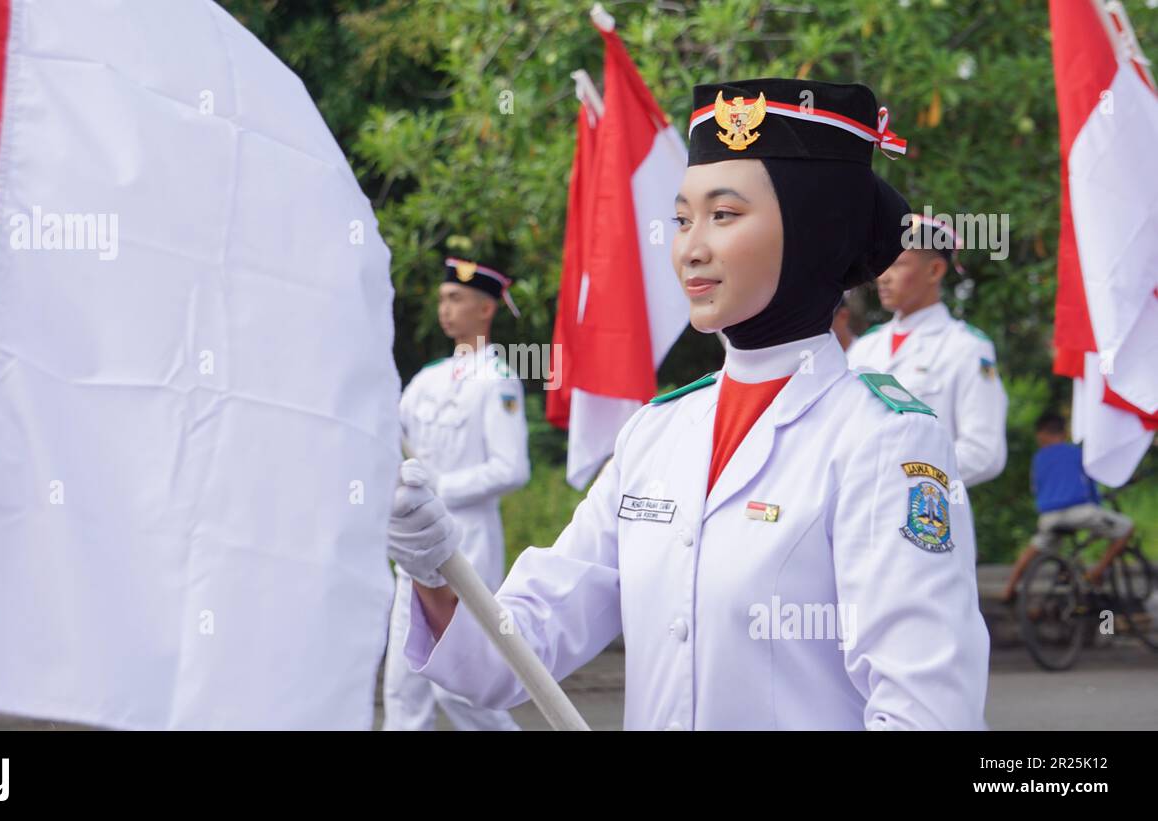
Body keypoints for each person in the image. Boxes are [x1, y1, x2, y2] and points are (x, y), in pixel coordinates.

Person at [386, 79, 989, 730]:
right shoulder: (658, 431)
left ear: (812, 231)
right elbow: (510, 655)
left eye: (723, 215)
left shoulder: (883, 440)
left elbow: (927, 712)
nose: (691, 247)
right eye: (681, 219)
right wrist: (436, 571)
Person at [381, 257, 530, 731]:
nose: (446, 308)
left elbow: (512, 468)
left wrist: (441, 489)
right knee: (402, 685)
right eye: (443, 298)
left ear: (486, 309)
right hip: (416, 544)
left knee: (461, 686)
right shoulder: (426, 379)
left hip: (468, 542)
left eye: (457, 299)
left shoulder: (498, 380)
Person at [846, 215, 1008, 487]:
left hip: (925, 514)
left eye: (897, 264)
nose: (883, 278)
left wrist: (900, 474)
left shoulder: (965, 347)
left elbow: (984, 452)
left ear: (934, 271)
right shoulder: (864, 348)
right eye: (882, 266)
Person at [1000, 412, 1135, 603]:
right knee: (1126, 527)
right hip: (1080, 512)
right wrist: (1096, 503)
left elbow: (1036, 488)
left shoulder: (1038, 458)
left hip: (1048, 516)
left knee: (1036, 547)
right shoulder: (1076, 453)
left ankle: (1010, 587)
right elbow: (1091, 485)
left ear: (1041, 434)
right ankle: (1097, 572)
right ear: (1064, 433)